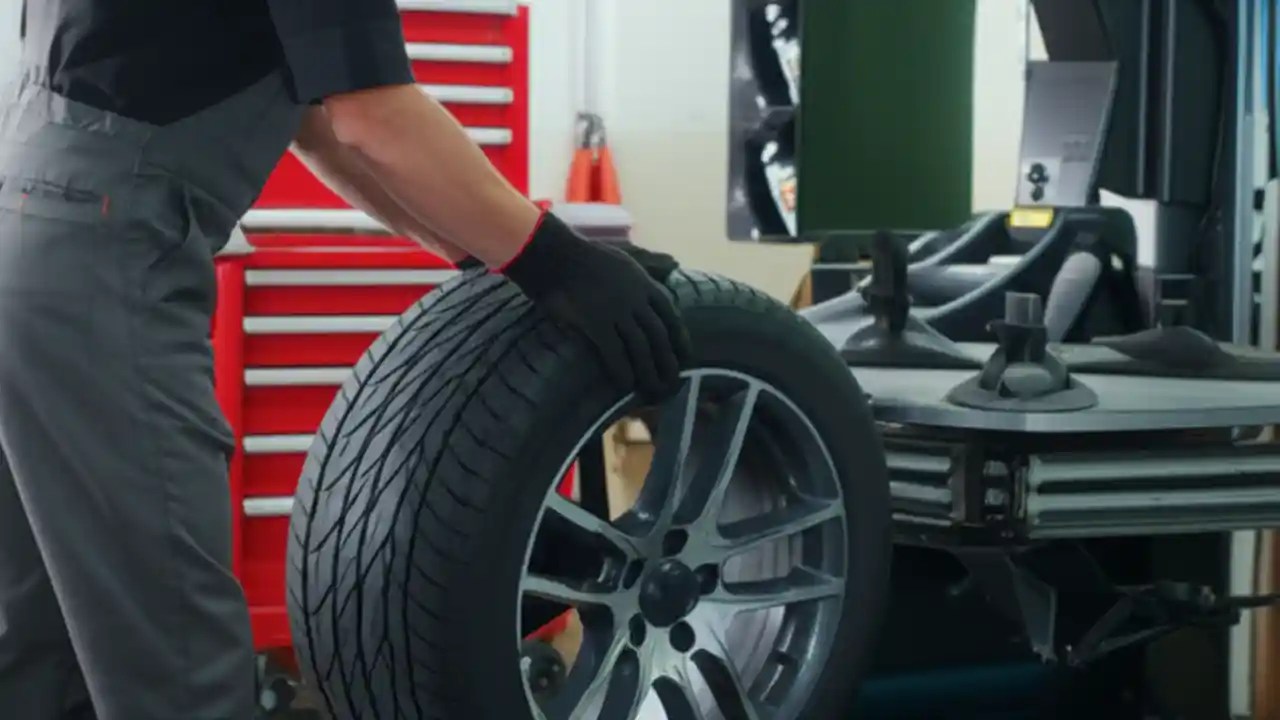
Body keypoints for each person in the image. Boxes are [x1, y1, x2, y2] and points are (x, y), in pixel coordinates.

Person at [0, 1, 690, 718]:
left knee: (46, 654)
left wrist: (503, 254)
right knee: (177, 663)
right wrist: (555, 261)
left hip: (30, 227)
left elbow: (324, 130)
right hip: (100, 254)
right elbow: (373, 117)